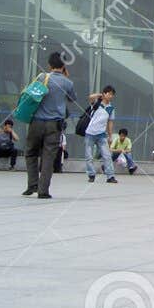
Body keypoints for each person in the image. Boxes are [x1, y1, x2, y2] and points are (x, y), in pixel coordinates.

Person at [22, 52, 77, 200]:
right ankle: (43, 190)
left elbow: (30, 93)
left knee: (31, 152)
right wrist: (66, 77)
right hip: (55, 125)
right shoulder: (68, 83)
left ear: (49, 65)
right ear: (64, 66)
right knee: (48, 157)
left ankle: (32, 184)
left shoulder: (42, 77)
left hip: (37, 122)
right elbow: (72, 99)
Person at [81, 85, 118, 185]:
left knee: (107, 156)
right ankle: (91, 175)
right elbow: (90, 97)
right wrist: (100, 95)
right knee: (89, 156)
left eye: (112, 94)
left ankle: (110, 176)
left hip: (102, 135)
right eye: (109, 94)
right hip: (90, 133)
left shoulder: (111, 108)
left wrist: (110, 136)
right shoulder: (96, 103)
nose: (110, 96)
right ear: (104, 93)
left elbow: (110, 123)